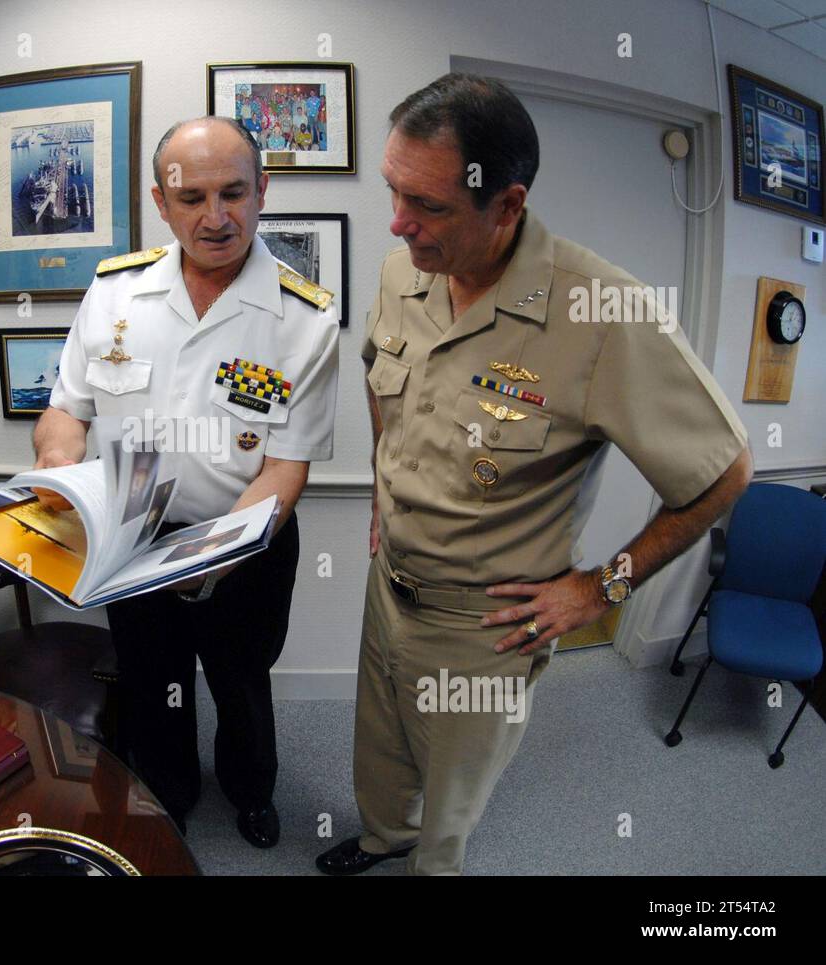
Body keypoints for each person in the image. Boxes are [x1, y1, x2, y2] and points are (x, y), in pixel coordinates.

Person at [316, 73, 751, 876]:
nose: (398, 223)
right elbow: (384, 378)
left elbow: (722, 475)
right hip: (390, 586)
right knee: (378, 755)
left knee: (450, 798)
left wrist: (599, 591)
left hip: (487, 626)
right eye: (393, 191)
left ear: (507, 205)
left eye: (430, 206)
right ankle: (383, 840)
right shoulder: (402, 270)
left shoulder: (603, 313)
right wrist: (385, 490)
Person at [35, 116, 340, 847]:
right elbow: (64, 413)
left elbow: (284, 468)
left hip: (248, 541)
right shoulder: (114, 294)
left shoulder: (304, 317)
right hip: (133, 537)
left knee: (242, 682)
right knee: (153, 682)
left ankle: (250, 791)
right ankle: (167, 791)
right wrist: (56, 466)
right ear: (160, 202)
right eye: (192, 196)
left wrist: (208, 562)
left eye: (234, 192)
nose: (215, 216)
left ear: (263, 191)